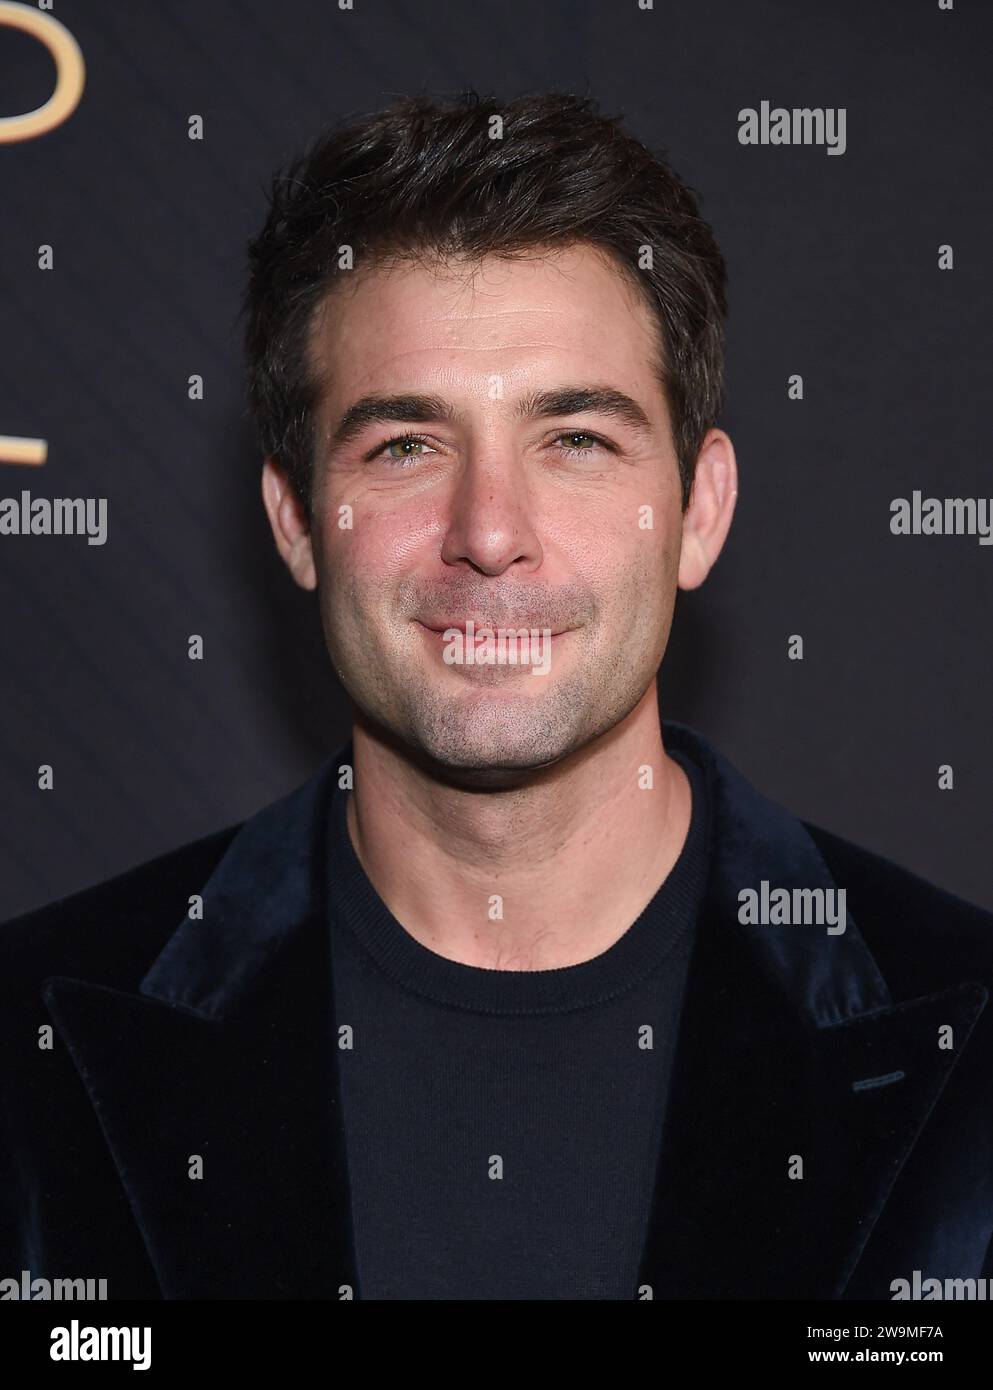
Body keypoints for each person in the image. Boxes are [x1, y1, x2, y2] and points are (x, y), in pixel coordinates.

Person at [2, 90, 992, 1302]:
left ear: (701, 510)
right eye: (405, 445)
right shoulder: (30, 1049)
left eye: (575, 438)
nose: (488, 533)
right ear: (298, 520)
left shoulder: (970, 1043)